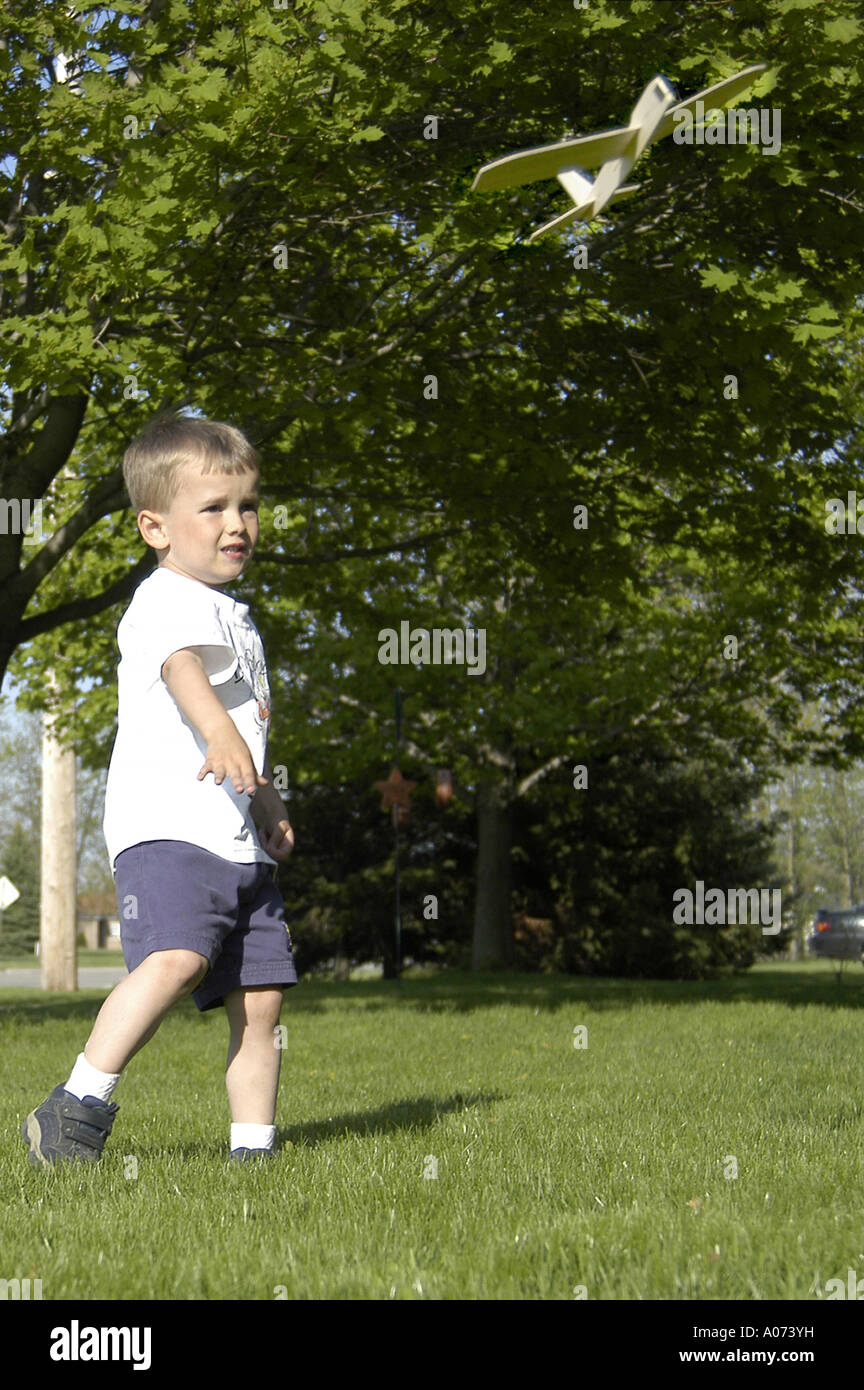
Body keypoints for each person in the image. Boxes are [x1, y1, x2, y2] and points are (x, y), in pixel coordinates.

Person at [22, 414, 297, 1167]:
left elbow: (245, 739)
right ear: (155, 527)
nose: (236, 524)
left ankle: (253, 1153)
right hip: (171, 829)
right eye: (213, 508)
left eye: (247, 506)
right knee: (175, 958)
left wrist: (266, 802)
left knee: (261, 1001)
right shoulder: (164, 597)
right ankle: (75, 1105)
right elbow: (181, 671)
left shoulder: (235, 615)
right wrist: (217, 732)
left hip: (237, 839)